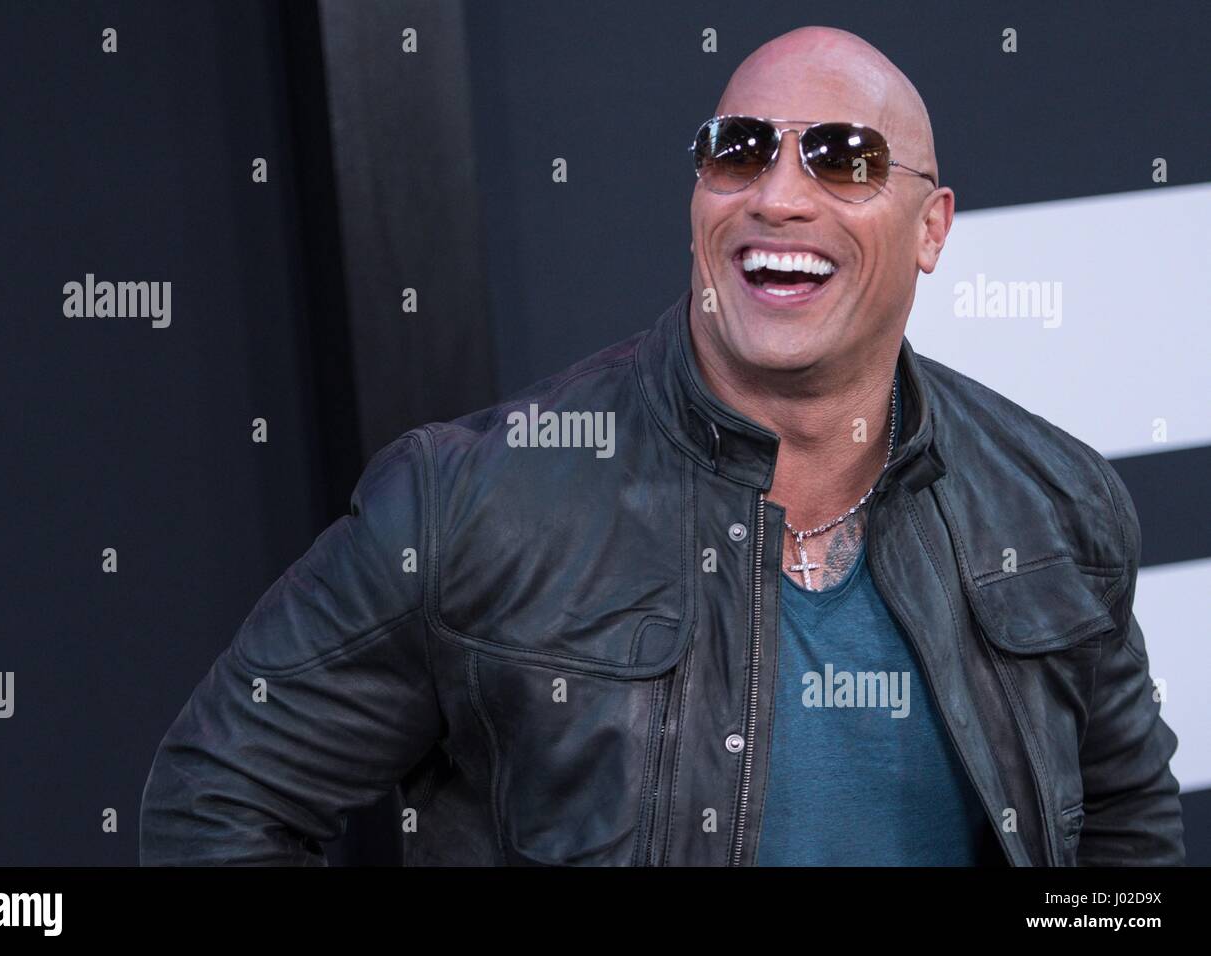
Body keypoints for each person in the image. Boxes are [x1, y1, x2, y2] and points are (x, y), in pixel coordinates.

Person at [139, 26, 1182, 866]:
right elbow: (217, 796)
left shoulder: (1052, 501)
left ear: (932, 228)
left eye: (843, 159)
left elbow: (1127, 825)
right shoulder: (471, 500)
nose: (776, 194)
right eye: (737, 150)